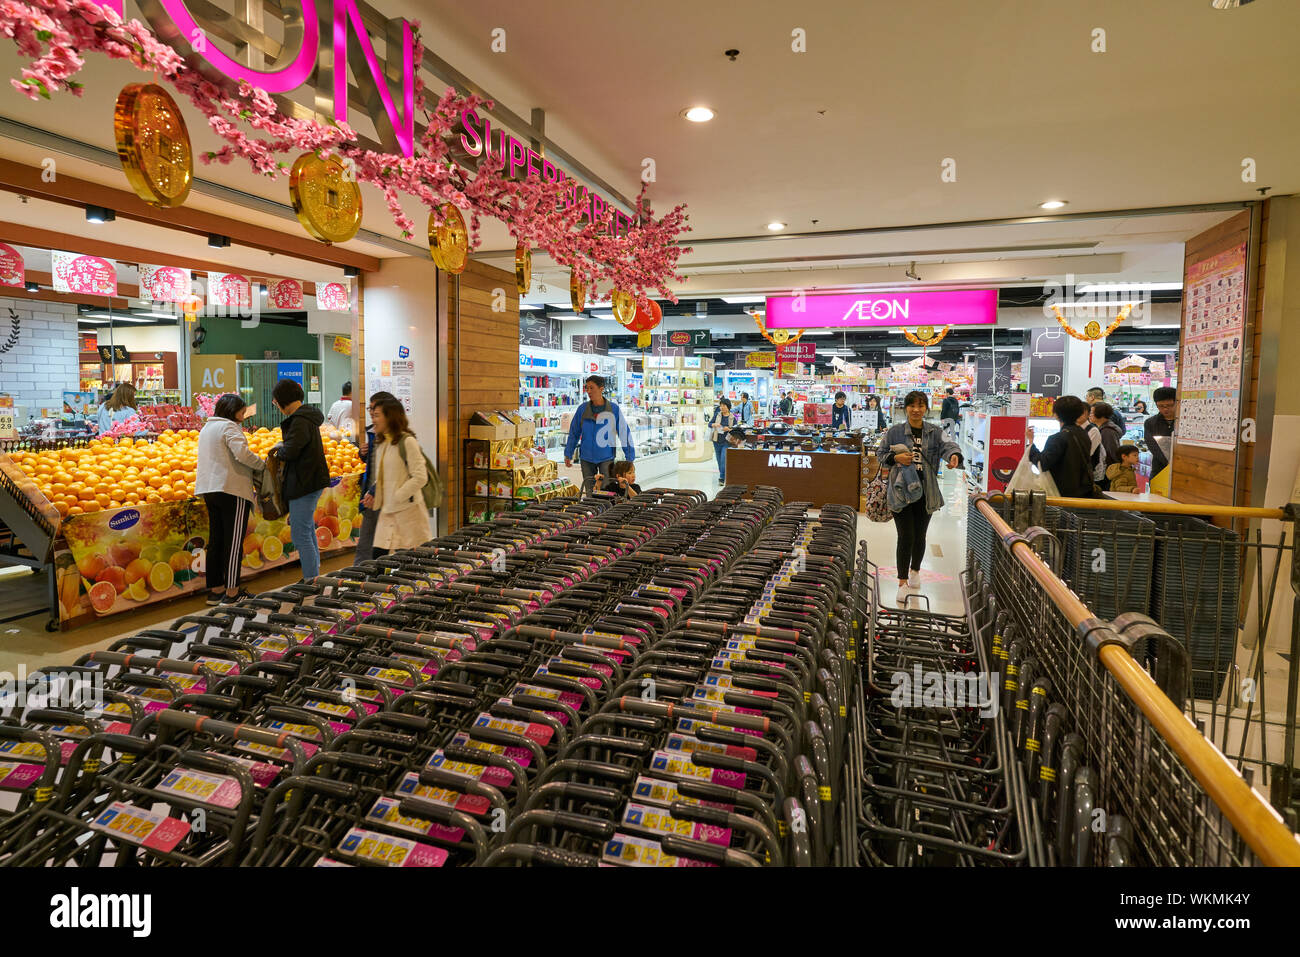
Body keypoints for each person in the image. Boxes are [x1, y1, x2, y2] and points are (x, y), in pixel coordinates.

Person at [877, 391, 963, 603]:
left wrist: (954, 456)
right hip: (901, 491)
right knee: (906, 536)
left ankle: (915, 570)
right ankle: (902, 582)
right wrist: (895, 457)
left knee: (920, 535)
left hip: (927, 491)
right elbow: (880, 454)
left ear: (926, 408)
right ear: (905, 408)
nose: (916, 409)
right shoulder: (895, 432)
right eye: (912, 405)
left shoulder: (935, 431)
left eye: (921, 405)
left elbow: (949, 445)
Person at [196, 393, 265, 605]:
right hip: (231, 490)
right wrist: (263, 465)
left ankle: (216, 590)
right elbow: (242, 454)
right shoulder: (229, 427)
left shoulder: (207, 428)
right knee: (233, 543)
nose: (244, 415)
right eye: (242, 411)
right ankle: (233, 593)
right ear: (232, 411)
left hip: (209, 489)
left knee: (216, 540)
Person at [270, 378, 330, 581]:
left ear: (281, 400)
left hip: (304, 483)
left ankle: (311, 579)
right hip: (311, 481)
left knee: (300, 533)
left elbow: (291, 451)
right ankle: (313, 575)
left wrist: (278, 450)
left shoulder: (299, 420)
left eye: (276, 402)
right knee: (306, 529)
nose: (276, 407)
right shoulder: (307, 417)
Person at [368, 395, 432, 555]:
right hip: (387, 513)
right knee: (379, 561)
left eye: (376, 415)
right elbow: (385, 474)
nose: (373, 419)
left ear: (390, 417)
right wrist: (375, 492)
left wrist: (398, 495)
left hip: (408, 513)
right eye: (372, 414)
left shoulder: (407, 441)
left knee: (411, 565)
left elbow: (420, 476)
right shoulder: (382, 442)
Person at [564, 375, 636, 494]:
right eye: (587, 388)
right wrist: (568, 453)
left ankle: (607, 512)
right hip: (586, 458)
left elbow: (624, 433)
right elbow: (574, 432)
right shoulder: (582, 409)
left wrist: (629, 457)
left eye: (592, 388)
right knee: (590, 492)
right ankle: (592, 512)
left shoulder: (613, 409)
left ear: (601, 388)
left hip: (606, 458)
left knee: (607, 492)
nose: (588, 391)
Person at [1027, 395, 1098, 498]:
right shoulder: (1083, 434)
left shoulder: (1057, 438)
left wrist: (1031, 443)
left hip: (1061, 492)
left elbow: (1042, 463)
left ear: (1056, 415)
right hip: (1082, 490)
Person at [354, 391, 396, 563]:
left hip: (386, 497)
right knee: (366, 546)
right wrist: (364, 454)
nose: (371, 412)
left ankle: (374, 581)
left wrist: (374, 490)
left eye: (375, 409)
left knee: (379, 547)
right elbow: (375, 464)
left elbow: (391, 468)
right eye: (370, 408)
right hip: (372, 497)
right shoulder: (374, 432)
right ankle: (362, 581)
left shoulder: (396, 436)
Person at [1089, 401, 1124, 490]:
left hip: (1107, 473)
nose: (1090, 415)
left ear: (1101, 414)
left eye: (1092, 412)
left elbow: (1112, 452)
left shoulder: (1107, 431)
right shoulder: (1103, 428)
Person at [1144, 386, 1177, 475]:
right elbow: (1152, 445)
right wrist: (1167, 462)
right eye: (1161, 406)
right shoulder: (1150, 423)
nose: (1165, 409)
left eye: (1169, 405)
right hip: (1159, 467)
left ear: (1177, 403)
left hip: (1182, 466)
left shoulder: (1184, 422)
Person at [708, 397, 740, 483]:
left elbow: (736, 429)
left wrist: (729, 429)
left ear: (728, 406)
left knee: (723, 460)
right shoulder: (717, 415)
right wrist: (714, 424)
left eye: (723, 406)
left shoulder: (733, 417)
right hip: (716, 441)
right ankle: (723, 474)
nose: (722, 407)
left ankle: (722, 478)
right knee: (719, 460)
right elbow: (709, 424)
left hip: (727, 442)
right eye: (721, 406)